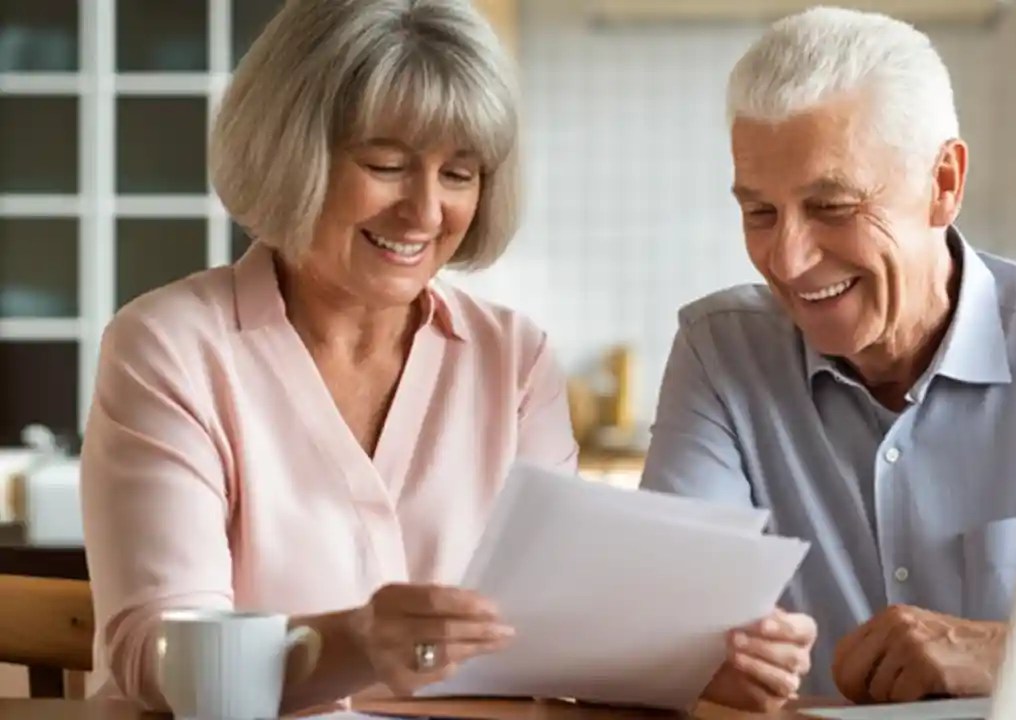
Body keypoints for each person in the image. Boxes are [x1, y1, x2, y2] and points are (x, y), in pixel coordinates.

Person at [80, 0, 813, 713]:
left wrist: (691, 659)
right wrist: (358, 641)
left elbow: (555, 637)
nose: (426, 212)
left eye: (459, 175)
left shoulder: (513, 360)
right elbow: (160, 654)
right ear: (289, 153)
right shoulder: (170, 348)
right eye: (388, 164)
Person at [639, 6, 1016, 705]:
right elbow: (668, 623)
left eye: (832, 206)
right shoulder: (721, 355)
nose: (789, 259)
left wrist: (1013, 652)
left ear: (944, 185)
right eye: (759, 213)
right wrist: (696, 653)